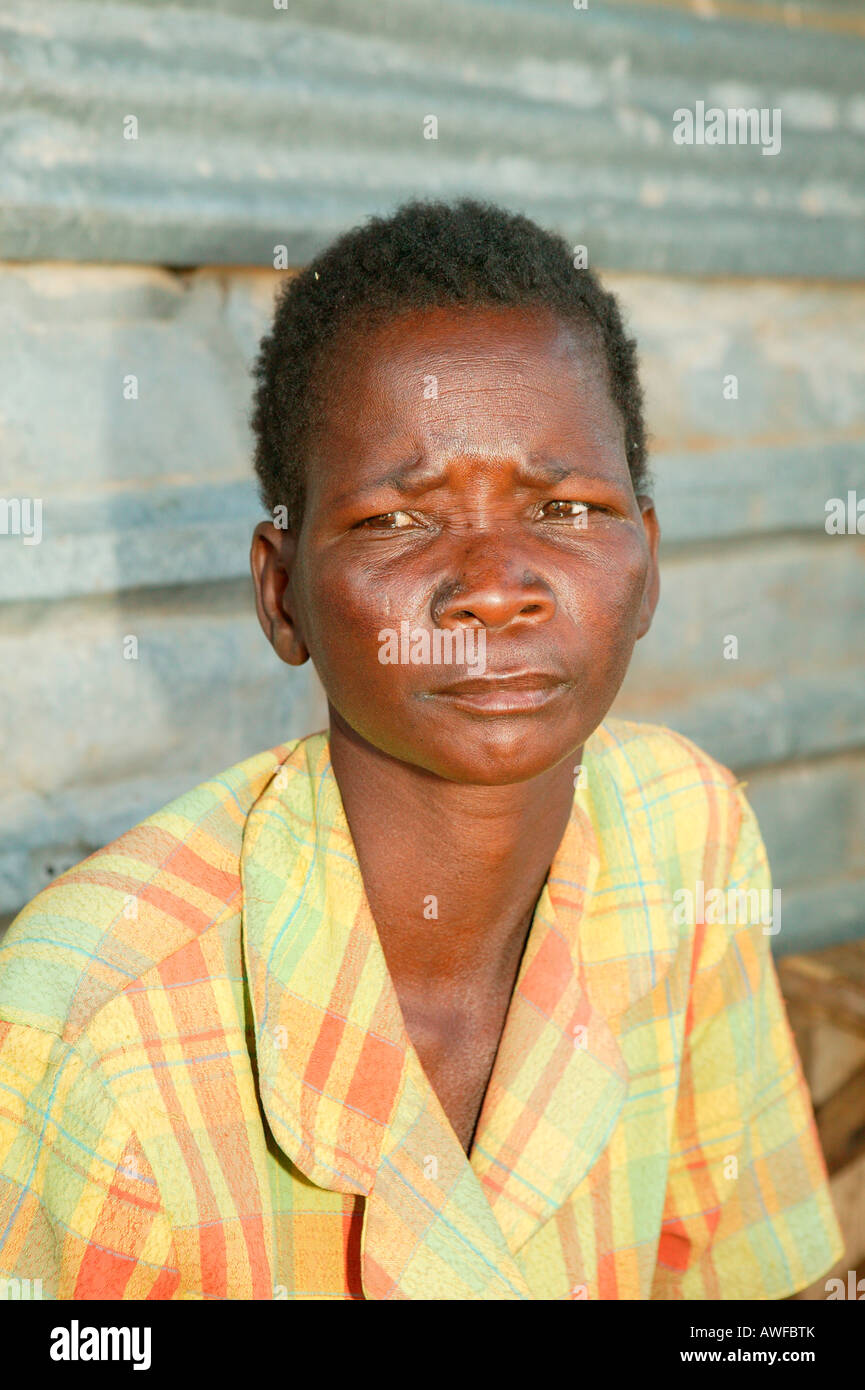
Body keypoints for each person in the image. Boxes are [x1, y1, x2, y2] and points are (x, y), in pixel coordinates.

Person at [0, 199, 843, 1300]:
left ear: (648, 564)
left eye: (567, 507)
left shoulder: (687, 832)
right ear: (281, 593)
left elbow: (757, 1291)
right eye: (398, 522)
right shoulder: (94, 1015)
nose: (494, 585)